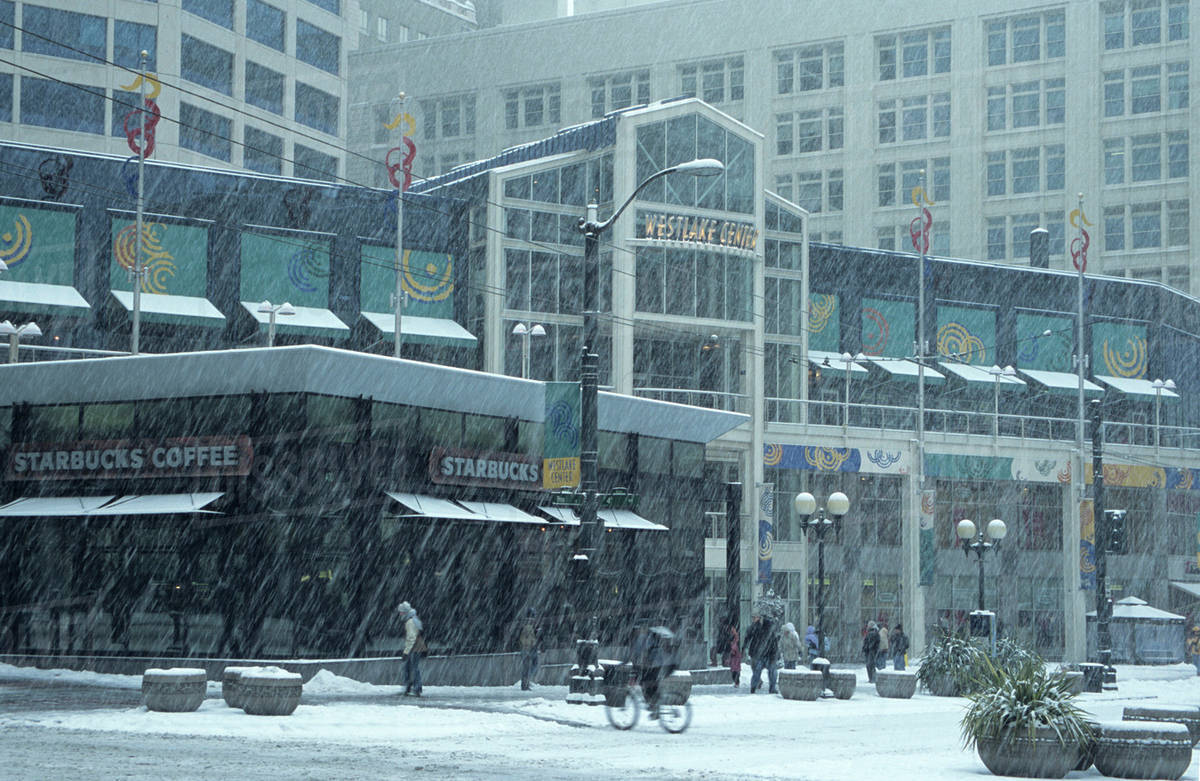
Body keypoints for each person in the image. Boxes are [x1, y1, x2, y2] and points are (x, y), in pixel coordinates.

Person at [744, 612, 780, 694]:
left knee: (757, 672)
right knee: (772, 672)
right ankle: (772, 688)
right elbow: (774, 645)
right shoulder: (770, 633)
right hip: (767, 655)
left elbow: (749, 638)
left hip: (759, 655)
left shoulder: (757, 630)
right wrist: (775, 655)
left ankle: (753, 687)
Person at [397, 600, 425, 697]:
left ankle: (413, 687)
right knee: (412, 667)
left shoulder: (410, 622)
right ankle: (413, 687)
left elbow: (411, 638)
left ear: (405, 612)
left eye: (401, 612)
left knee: (410, 668)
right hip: (417, 647)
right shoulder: (414, 619)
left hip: (414, 648)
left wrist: (406, 652)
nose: (400, 614)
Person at [518, 608, 540, 691]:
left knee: (527, 667)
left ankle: (525, 683)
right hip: (529, 648)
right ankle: (526, 683)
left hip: (528, 648)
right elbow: (527, 638)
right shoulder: (529, 625)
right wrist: (530, 644)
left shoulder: (526, 624)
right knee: (531, 665)